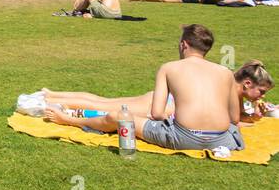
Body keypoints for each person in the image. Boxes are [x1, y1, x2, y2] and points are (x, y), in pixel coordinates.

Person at [44, 24, 244, 154]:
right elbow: (234, 119)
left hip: (183, 138)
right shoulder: (225, 72)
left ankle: (68, 119)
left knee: (118, 116)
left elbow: (157, 113)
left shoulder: (169, 68)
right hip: (223, 140)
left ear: (184, 45)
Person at [40, 59, 273, 124]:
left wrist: (250, 116)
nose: (262, 96)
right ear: (247, 84)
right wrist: (250, 119)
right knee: (104, 106)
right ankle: (52, 101)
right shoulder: (232, 91)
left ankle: (52, 94)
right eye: (261, 91)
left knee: (106, 101)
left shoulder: (231, 87)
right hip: (166, 106)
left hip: (164, 99)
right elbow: (230, 120)